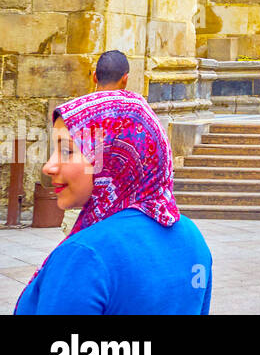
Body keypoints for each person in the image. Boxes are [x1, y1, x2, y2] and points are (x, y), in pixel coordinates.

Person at [15, 90, 213, 314]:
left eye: (67, 151)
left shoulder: (84, 255)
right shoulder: (192, 238)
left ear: (115, 157)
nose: (48, 166)